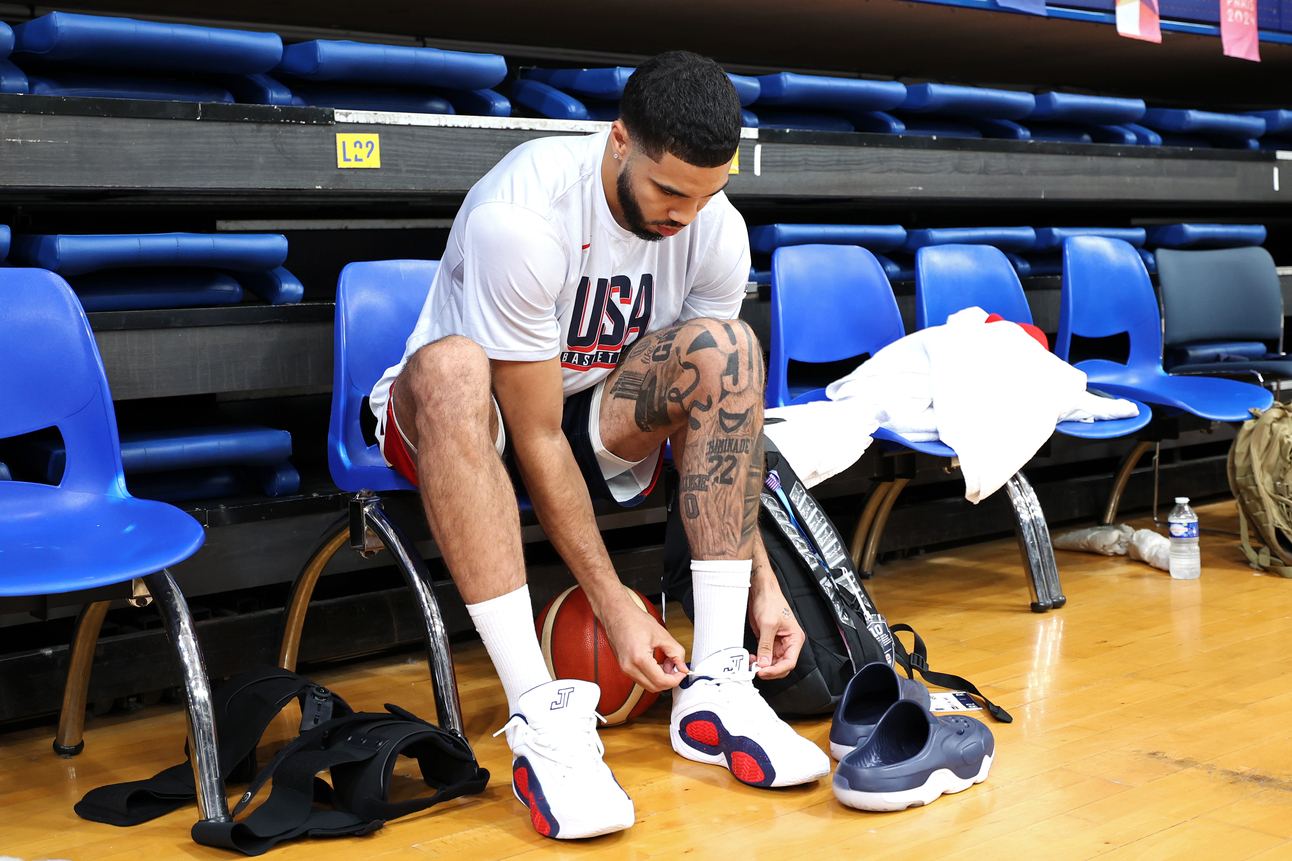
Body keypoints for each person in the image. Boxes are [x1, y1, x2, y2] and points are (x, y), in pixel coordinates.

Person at [369, 50, 829, 840]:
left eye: (707, 192)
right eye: (669, 191)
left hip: (589, 414)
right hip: (466, 421)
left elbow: (717, 433)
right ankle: (539, 717)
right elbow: (533, 432)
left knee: (729, 350)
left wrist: (762, 581)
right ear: (619, 141)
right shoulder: (525, 213)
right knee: (451, 368)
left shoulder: (714, 225)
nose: (685, 214)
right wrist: (614, 600)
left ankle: (715, 682)